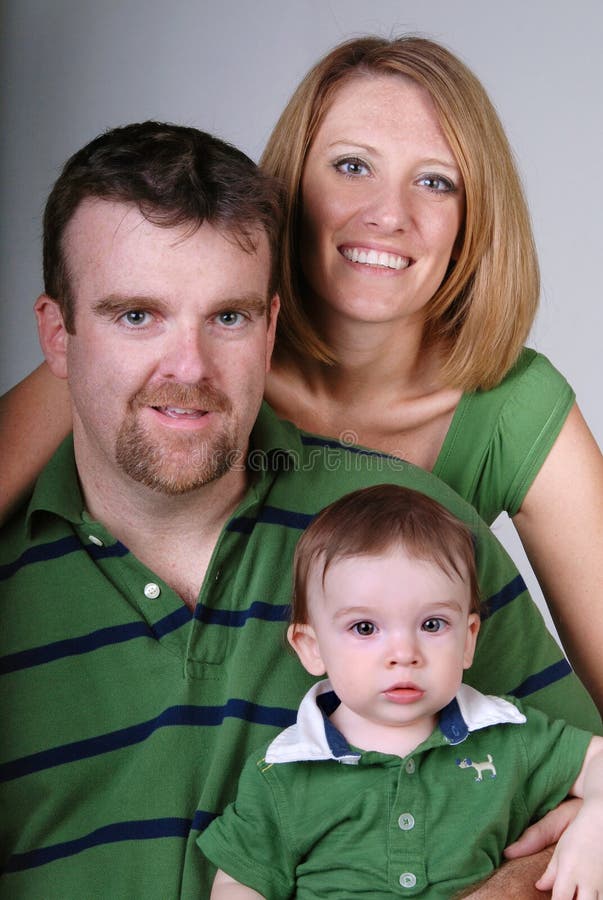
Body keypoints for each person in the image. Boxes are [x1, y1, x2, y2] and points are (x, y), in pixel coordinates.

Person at [0, 121, 597, 899]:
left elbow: (581, 801)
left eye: (228, 317)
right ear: (59, 334)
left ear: (271, 324)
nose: (188, 369)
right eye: (136, 316)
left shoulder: (410, 528)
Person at [1, 35, 602, 724]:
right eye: (352, 166)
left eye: (434, 181)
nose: (389, 213)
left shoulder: (511, 407)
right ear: (289, 186)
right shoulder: (175, 364)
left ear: (473, 219)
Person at [199, 485, 603, 899]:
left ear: (468, 639)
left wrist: (595, 827)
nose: (404, 654)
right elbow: (239, 881)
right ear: (313, 648)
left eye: (432, 625)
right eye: (365, 628)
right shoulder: (283, 772)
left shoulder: (506, 736)